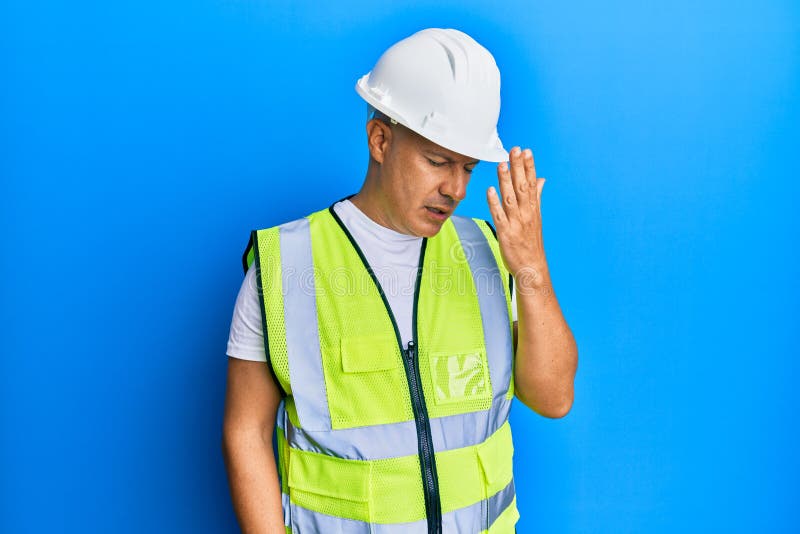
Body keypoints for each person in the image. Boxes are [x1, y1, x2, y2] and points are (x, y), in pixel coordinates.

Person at [222, 28, 578, 534]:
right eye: (437, 161)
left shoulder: (491, 254)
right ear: (381, 141)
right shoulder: (287, 265)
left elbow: (554, 397)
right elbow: (245, 430)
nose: (455, 188)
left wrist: (532, 271)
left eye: (468, 168)